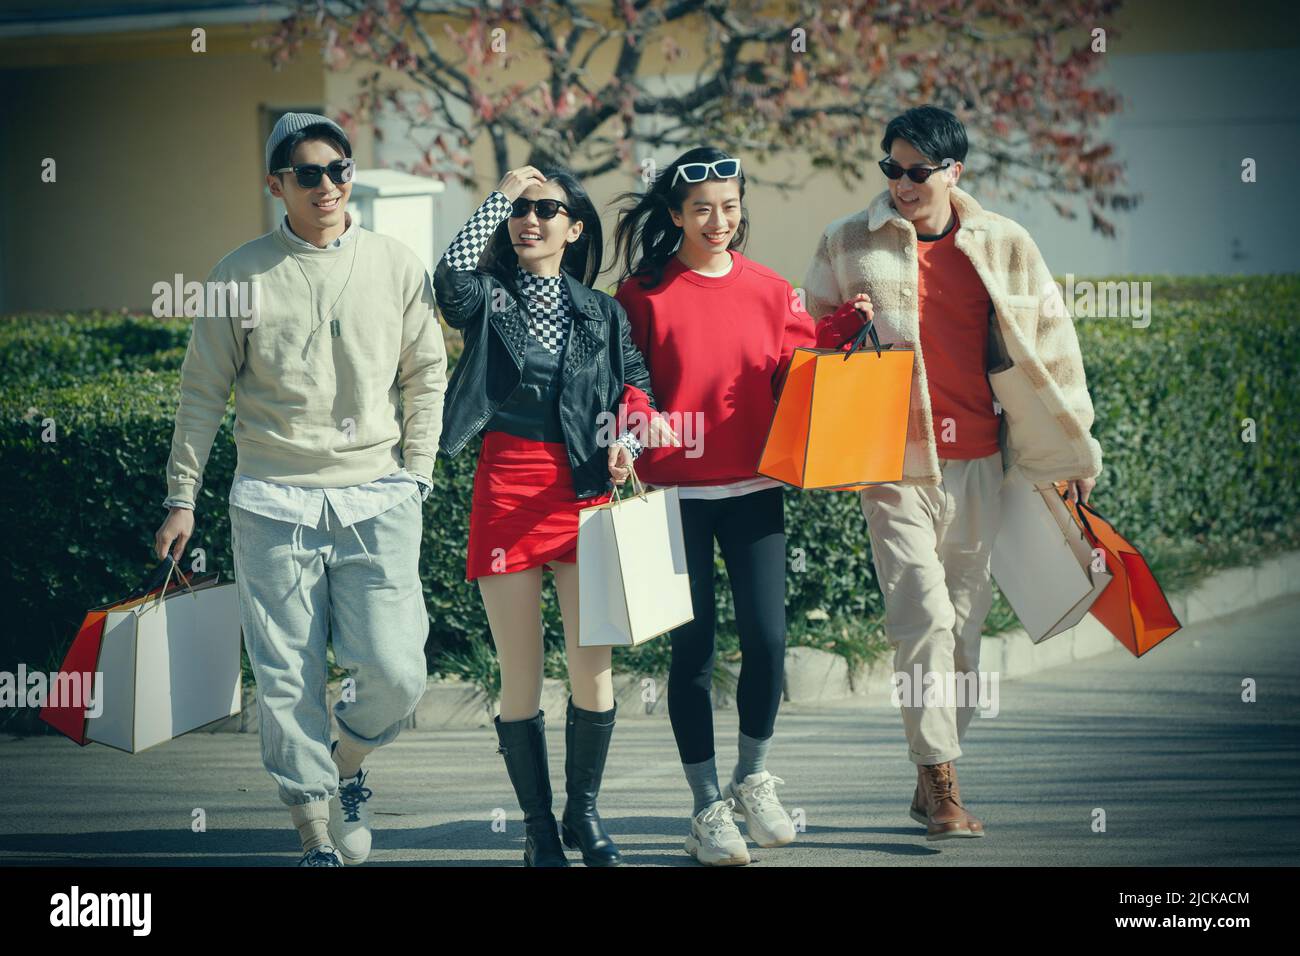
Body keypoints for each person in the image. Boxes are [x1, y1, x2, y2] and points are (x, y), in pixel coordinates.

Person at [802, 104, 1104, 840]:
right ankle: (941, 783)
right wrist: (839, 331)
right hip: (892, 465)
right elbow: (802, 343)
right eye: (892, 170)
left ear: (952, 172)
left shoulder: (1004, 243)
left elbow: (1053, 344)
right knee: (924, 617)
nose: (902, 185)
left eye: (917, 172)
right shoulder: (848, 243)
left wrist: (1074, 450)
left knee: (964, 633)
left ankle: (927, 767)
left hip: (981, 464)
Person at [155, 112, 448, 866]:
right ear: (276, 183)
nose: (328, 184)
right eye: (309, 173)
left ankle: (342, 763)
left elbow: (426, 373)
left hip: (378, 494)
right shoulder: (237, 272)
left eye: (339, 168)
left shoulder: (395, 263)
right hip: (272, 502)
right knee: (287, 677)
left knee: (397, 670)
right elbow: (200, 393)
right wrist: (180, 496)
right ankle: (314, 829)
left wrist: (418, 471)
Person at [611, 147, 870, 865]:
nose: (718, 221)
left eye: (729, 207)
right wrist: (638, 413)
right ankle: (705, 809)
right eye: (701, 210)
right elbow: (624, 376)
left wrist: (843, 331)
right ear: (675, 215)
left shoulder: (771, 289)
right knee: (690, 653)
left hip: (755, 489)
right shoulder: (643, 294)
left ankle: (752, 777)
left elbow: (796, 367)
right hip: (676, 494)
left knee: (768, 641)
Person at [434, 164, 678, 867]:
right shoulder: (489, 296)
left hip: (583, 495)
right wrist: (499, 193)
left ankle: (585, 813)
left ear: (574, 229)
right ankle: (540, 830)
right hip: (507, 489)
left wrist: (630, 439)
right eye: (521, 210)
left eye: (546, 209)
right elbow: (448, 280)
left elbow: (636, 385)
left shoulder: (601, 310)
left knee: (591, 670)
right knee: (520, 673)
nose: (529, 219)